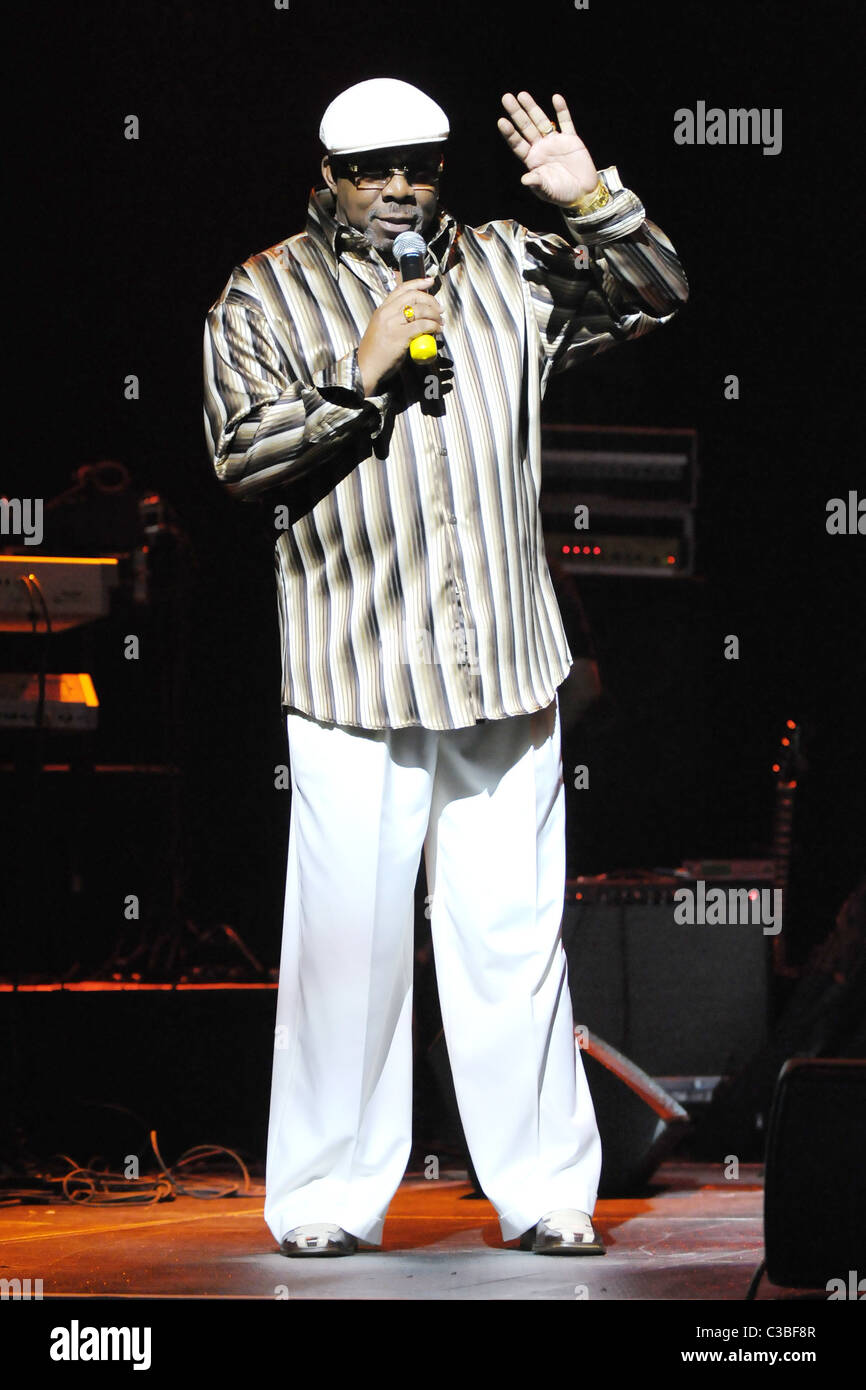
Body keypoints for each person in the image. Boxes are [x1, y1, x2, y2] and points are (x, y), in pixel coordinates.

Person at [203, 77, 688, 1257]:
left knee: (511, 943)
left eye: (417, 164)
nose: (398, 188)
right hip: (353, 669)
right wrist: (353, 380)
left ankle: (543, 1192)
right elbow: (237, 455)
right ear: (326, 179)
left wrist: (598, 204)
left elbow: (655, 297)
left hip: (501, 664)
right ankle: (323, 1197)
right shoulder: (263, 290)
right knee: (348, 946)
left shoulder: (506, 265)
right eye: (372, 170)